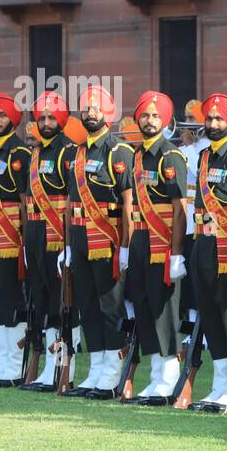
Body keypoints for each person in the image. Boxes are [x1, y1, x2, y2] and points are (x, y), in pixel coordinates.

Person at [60, 85, 135, 400]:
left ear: (109, 112)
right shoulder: (75, 152)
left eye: (96, 107)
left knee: (108, 307)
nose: (89, 113)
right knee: (87, 307)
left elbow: (129, 205)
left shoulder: (120, 152)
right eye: (86, 107)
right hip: (78, 239)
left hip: (108, 241)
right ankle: (95, 371)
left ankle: (112, 375)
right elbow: (67, 202)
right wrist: (65, 246)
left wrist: (128, 248)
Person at [188, 93, 227, 412]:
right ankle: (219, 383)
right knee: (210, 315)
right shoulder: (203, 157)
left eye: (219, 119)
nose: (213, 124)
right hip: (203, 241)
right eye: (209, 118)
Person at [123, 91, 189, 404]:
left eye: (155, 116)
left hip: (162, 243)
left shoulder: (170, 156)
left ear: (165, 121)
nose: (150, 121)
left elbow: (180, 209)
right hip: (139, 240)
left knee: (163, 309)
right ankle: (155, 377)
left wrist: (177, 253)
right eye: (145, 115)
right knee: (145, 307)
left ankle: (169, 379)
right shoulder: (138, 156)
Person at [19, 90, 74, 392]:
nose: (46, 122)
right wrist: (27, 243)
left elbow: (70, 198)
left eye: (52, 117)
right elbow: (28, 199)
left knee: (60, 302)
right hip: (37, 234)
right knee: (40, 298)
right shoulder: (36, 153)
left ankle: (64, 368)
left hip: (58, 236)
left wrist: (68, 244)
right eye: (41, 117)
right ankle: (45, 369)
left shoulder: (68, 152)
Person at [0, 93, 33, 387]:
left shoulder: (21, 153)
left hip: (11, 233)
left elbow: (25, 202)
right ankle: (3, 362)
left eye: (2, 115)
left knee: (11, 296)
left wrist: (24, 242)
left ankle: (14, 365)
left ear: (13, 119)